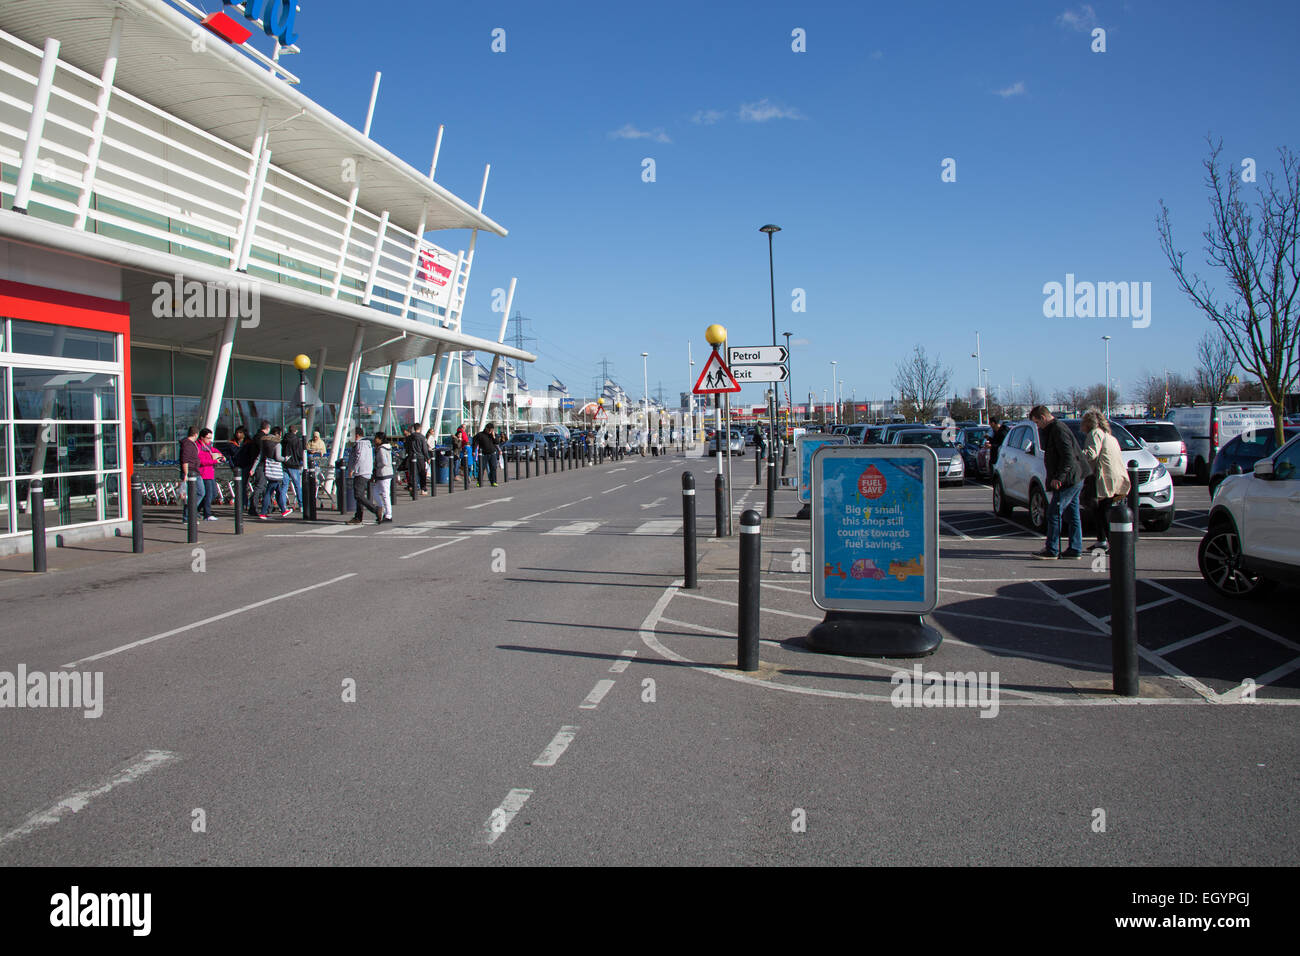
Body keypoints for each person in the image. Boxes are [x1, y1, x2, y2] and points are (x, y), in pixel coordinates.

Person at [1028, 405, 1087, 559]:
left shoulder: (1058, 430)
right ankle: (1075, 548)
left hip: (1069, 479)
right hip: (1074, 477)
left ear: (1043, 418)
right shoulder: (1055, 429)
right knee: (1072, 515)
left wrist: (1059, 477)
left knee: (1054, 513)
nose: (1038, 426)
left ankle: (1052, 549)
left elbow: (1068, 457)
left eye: (1037, 422)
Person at [1080, 408, 1131, 551]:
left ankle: (1111, 542)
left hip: (1104, 478)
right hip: (1115, 477)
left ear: (1088, 423)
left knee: (1102, 512)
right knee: (1100, 510)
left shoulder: (1095, 433)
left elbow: (1091, 454)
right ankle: (1102, 540)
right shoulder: (1110, 436)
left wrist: (1075, 455)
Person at [346, 426, 382, 525]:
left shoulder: (360, 444)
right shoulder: (367, 443)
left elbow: (360, 458)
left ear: (357, 435)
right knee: (359, 495)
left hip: (361, 472)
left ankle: (375, 509)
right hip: (365, 471)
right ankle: (358, 517)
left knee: (358, 495)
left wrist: (353, 469)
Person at [257, 426, 290, 519]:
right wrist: (285, 459)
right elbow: (278, 457)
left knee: (277, 490)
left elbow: (259, 456)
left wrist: (253, 468)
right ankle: (263, 512)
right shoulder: (277, 444)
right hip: (276, 471)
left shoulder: (265, 443)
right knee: (269, 492)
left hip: (269, 469)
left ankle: (283, 510)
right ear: (278, 434)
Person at [196, 428, 224, 521]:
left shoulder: (207, 446)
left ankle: (197, 509)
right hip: (204, 473)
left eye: (210, 438)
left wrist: (220, 455)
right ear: (202, 437)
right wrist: (214, 461)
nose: (209, 440)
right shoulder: (198, 447)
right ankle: (207, 514)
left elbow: (214, 450)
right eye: (208, 438)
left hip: (210, 473)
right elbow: (201, 461)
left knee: (213, 493)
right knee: (208, 494)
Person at [282, 423, 305, 512]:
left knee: (284, 486)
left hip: (285, 464)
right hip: (294, 465)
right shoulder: (297, 440)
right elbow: (300, 454)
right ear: (296, 431)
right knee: (297, 486)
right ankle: (301, 505)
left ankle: (283, 506)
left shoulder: (284, 440)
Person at [178, 426, 200, 520]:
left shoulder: (191, 444)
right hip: (191, 472)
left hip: (195, 471)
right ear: (196, 434)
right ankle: (188, 515)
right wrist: (186, 474)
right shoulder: (187, 444)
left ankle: (190, 513)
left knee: (197, 493)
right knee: (196, 493)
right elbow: (185, 460)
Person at [372, 432, 394, 523]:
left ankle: (388, 514)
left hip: (383, 473)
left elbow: (384, 462)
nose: (374, 439)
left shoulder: (381, 449)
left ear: (380, 439)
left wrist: (376, 465)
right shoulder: (387, 448)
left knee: (385, 494)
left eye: (376, 438)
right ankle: (382, 509)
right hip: (386, 473)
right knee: (376, 492)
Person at [406, 421, 431, 493]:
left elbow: (406, 448)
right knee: (422, 473)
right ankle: (423, 489)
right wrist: (427, 458)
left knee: (412, 473)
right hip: (420, 457)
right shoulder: (422, 437)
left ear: (414, 428)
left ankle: (412, 486)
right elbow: (424, 449)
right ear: (420, 428)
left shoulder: (409, 437)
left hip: (411, 457)